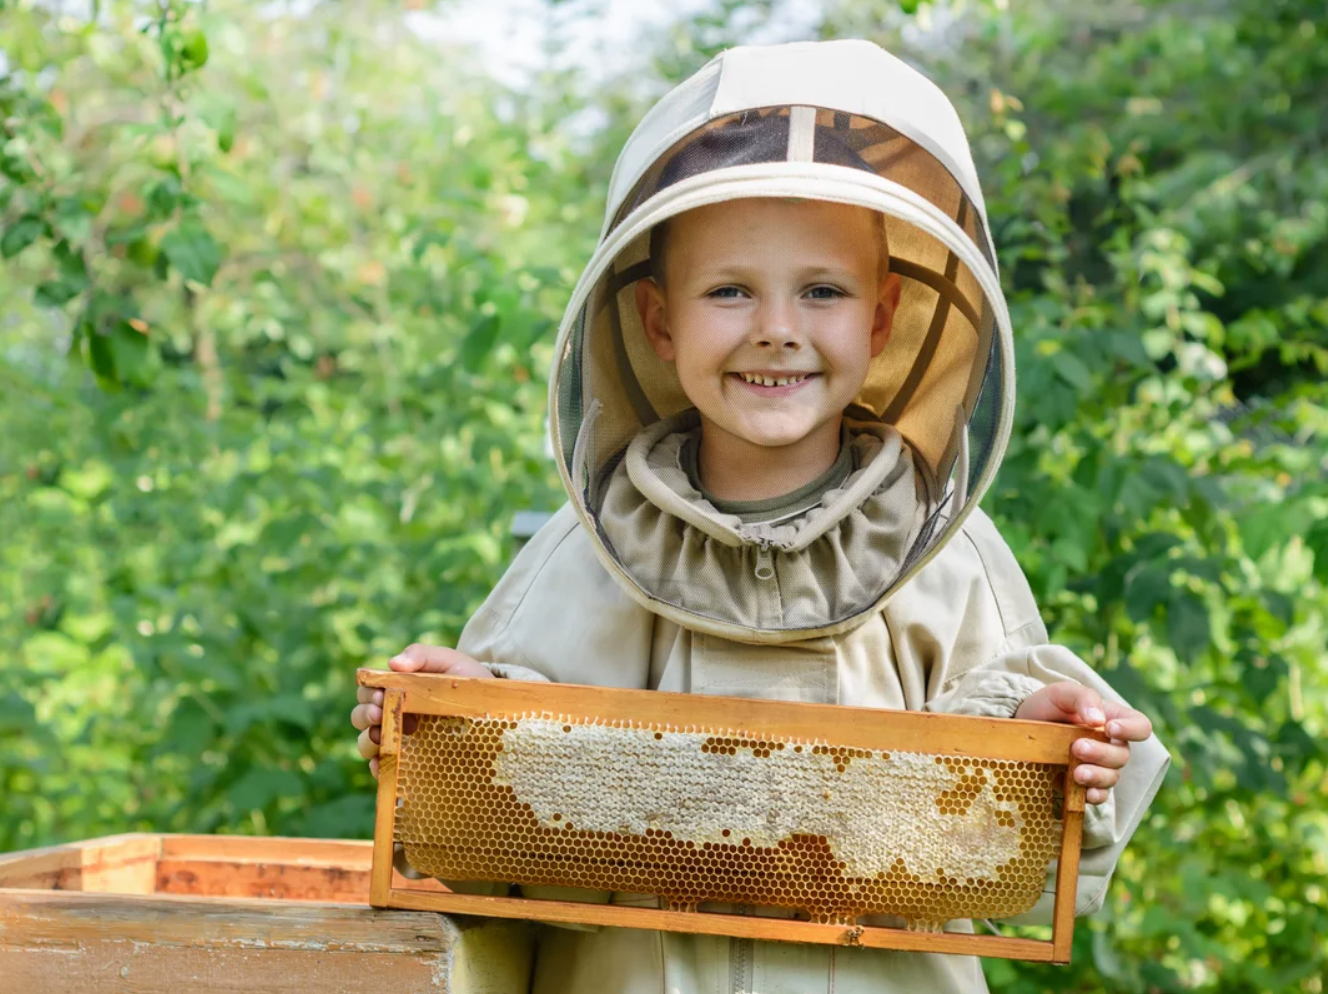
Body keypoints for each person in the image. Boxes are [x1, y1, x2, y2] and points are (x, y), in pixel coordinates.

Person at [351, 39, 1170, 994]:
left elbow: (1006, 854)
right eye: (729, 289)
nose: (776, 327)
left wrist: (1045, 738)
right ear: (659, 322)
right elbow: (497, 851)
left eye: (821, 291)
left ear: (881, 317)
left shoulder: (941, 552)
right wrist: (452, 721)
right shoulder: (591, 548)